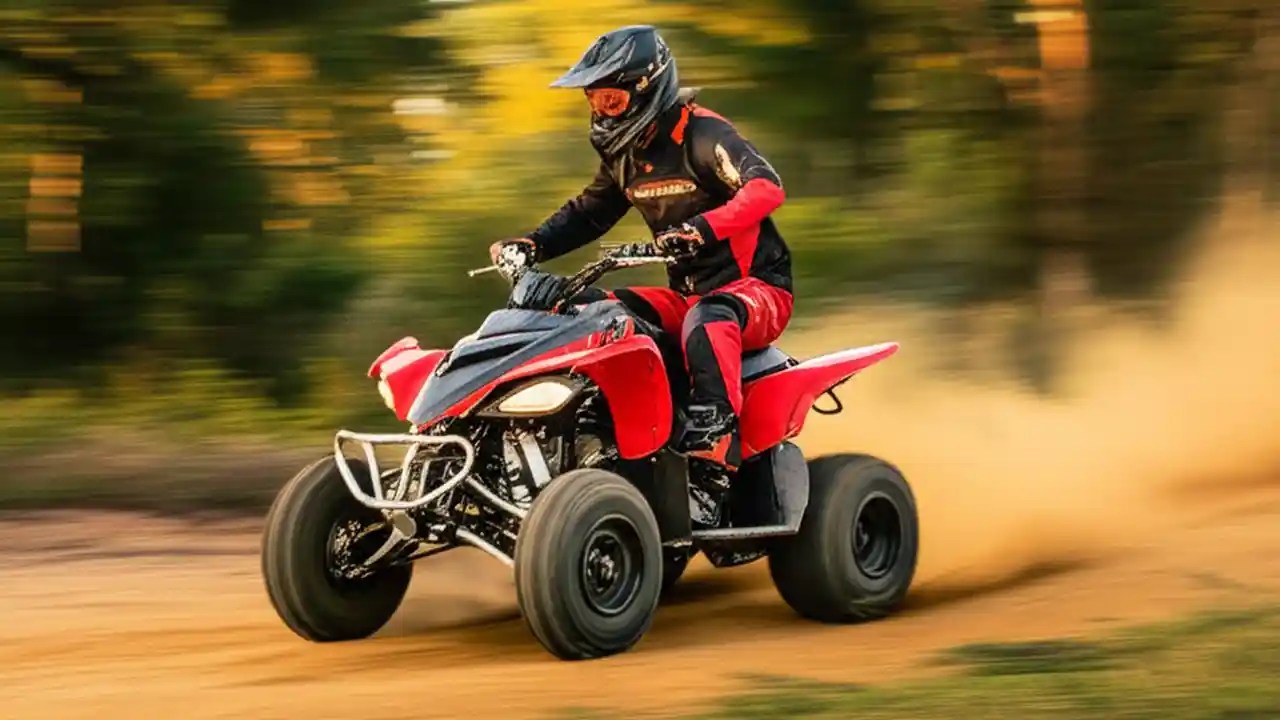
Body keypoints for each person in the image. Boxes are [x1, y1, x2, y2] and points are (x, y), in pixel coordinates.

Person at [489, 25, 793, 469]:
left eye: (612, 101)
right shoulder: (624, 157)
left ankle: (715, 438)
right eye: (594, 101)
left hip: (757, 291)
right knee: (589, 311)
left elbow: (767, 188)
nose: (603, 113)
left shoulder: (703, 134)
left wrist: (702, 228)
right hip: (685, 297)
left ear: (647, 88)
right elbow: (590, 213)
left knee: (708, 318)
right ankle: (593, 430)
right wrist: (533, 243)